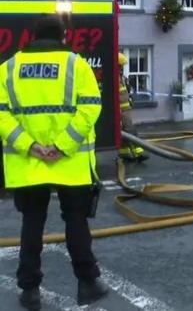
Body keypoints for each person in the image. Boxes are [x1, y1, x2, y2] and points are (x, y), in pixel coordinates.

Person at [0, 16, 108, 310]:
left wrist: (30, 146)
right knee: (76, 221)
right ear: (64, 37)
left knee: (32, 223)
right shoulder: (77, 64)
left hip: (28, 163)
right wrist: (62, 146)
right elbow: (90, 108)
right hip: (69, 162)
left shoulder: (8, 69)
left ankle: (29, 290)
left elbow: (2, 114)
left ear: (31, 37)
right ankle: (88, 282)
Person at [117, 53, 147, 162]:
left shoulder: (121, 77)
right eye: (121, 66)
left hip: (125, 110)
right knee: (129, 130)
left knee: (124, 132)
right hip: (121, 111)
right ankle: (138, 153)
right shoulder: (114, 78)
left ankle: (125, 153)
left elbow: (125, 93)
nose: (122, 68)